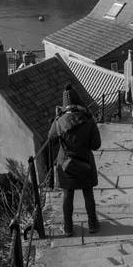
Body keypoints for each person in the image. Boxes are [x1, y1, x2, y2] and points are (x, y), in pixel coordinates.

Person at [47, 84, 101, 236]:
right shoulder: (88, 120)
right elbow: (96, 145)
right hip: (85, 162)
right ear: (79, 102)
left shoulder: (59, 122)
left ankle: (68, 227)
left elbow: (51, 139)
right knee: (88, 193)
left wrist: (57, 118)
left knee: (67, 195)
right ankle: (92, 224)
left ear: (64, 105)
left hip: (66, 164)